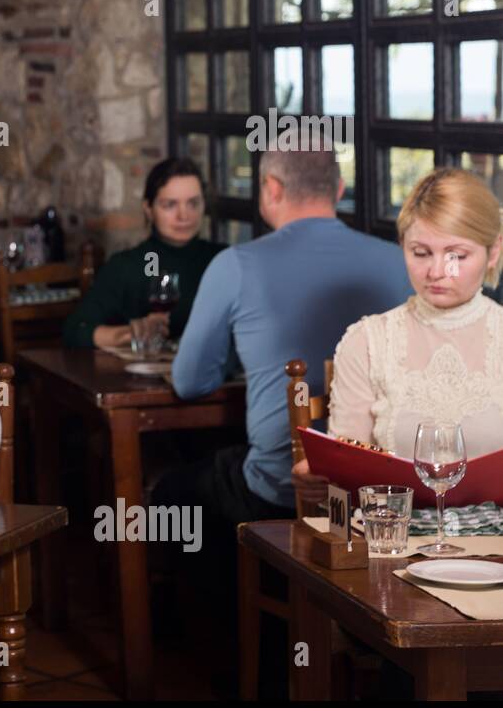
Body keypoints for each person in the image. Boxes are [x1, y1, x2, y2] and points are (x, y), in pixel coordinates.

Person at [159, 147, 412, 537]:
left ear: (272, 189)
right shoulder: (399, 261)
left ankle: (236, 595)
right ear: (339, 188)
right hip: (382, 492)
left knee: (170, 493)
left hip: (281, 491)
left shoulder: (236, 265)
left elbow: (191, 381)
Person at [296, 168, 503, 506]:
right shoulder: (368, 342)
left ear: (493, 251)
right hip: (392, 543)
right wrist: (320, 480)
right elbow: (344, 480)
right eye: (420, 253)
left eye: (456, 256)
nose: (436, 272)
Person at [64, 157, 224, 348]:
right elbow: (75, 331)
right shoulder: (125, 266)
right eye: (170, 205)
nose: (184, 215)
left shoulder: (224, 260)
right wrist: (127, 333)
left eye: (193, 203)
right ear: (148, 209)